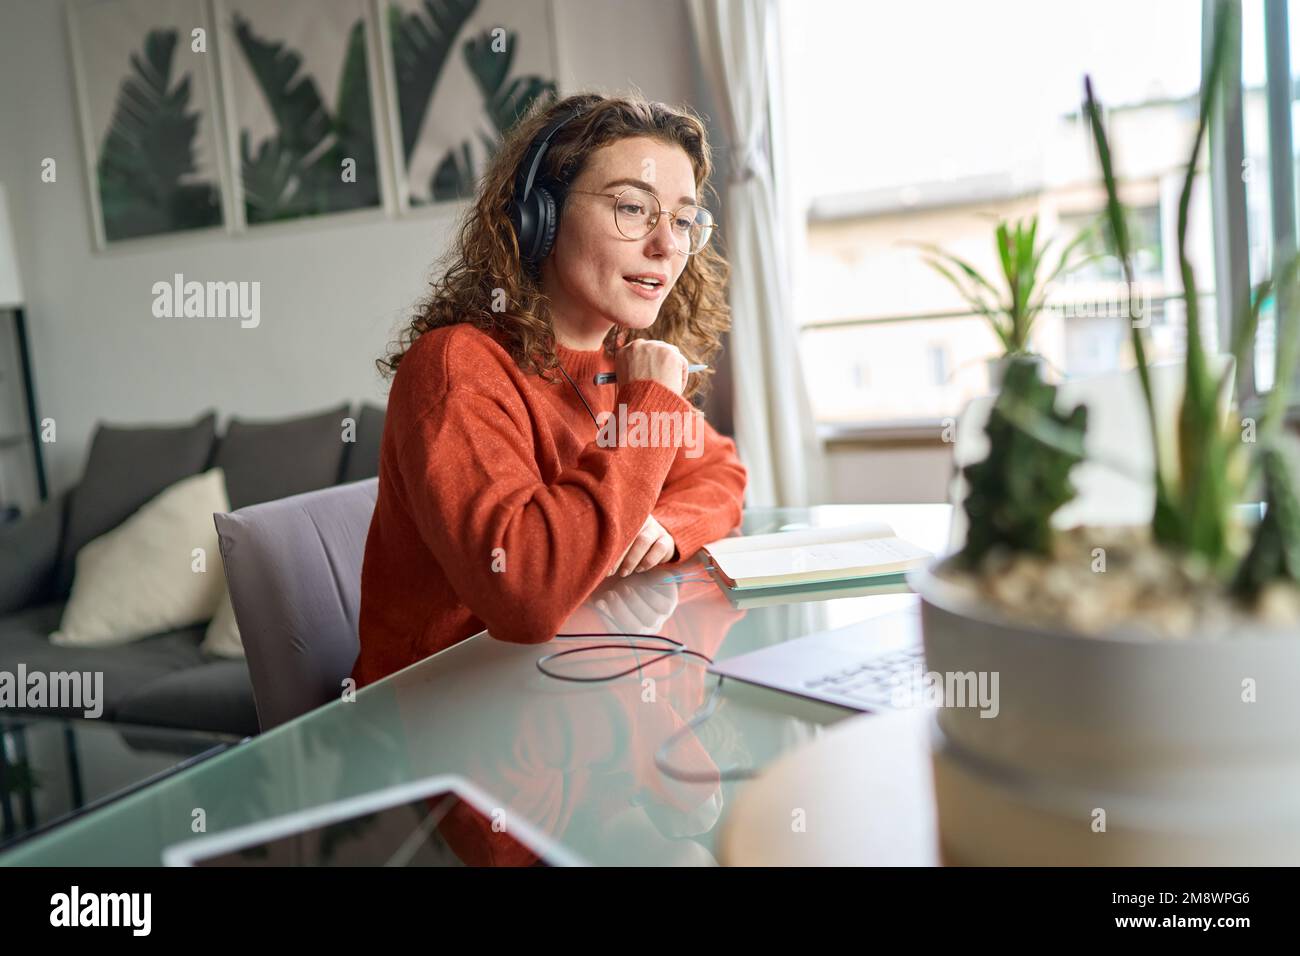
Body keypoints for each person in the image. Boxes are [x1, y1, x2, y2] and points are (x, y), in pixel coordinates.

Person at [352, 92, 748, 688]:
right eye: (633, 208)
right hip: (453, 724)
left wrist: (662, 526)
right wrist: (651, 408)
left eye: (684, 219)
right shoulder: (456, 367)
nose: (667, 246)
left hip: (571, 688)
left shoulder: (618, 363)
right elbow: (527, 592)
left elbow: (721, 474)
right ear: (542, 217)